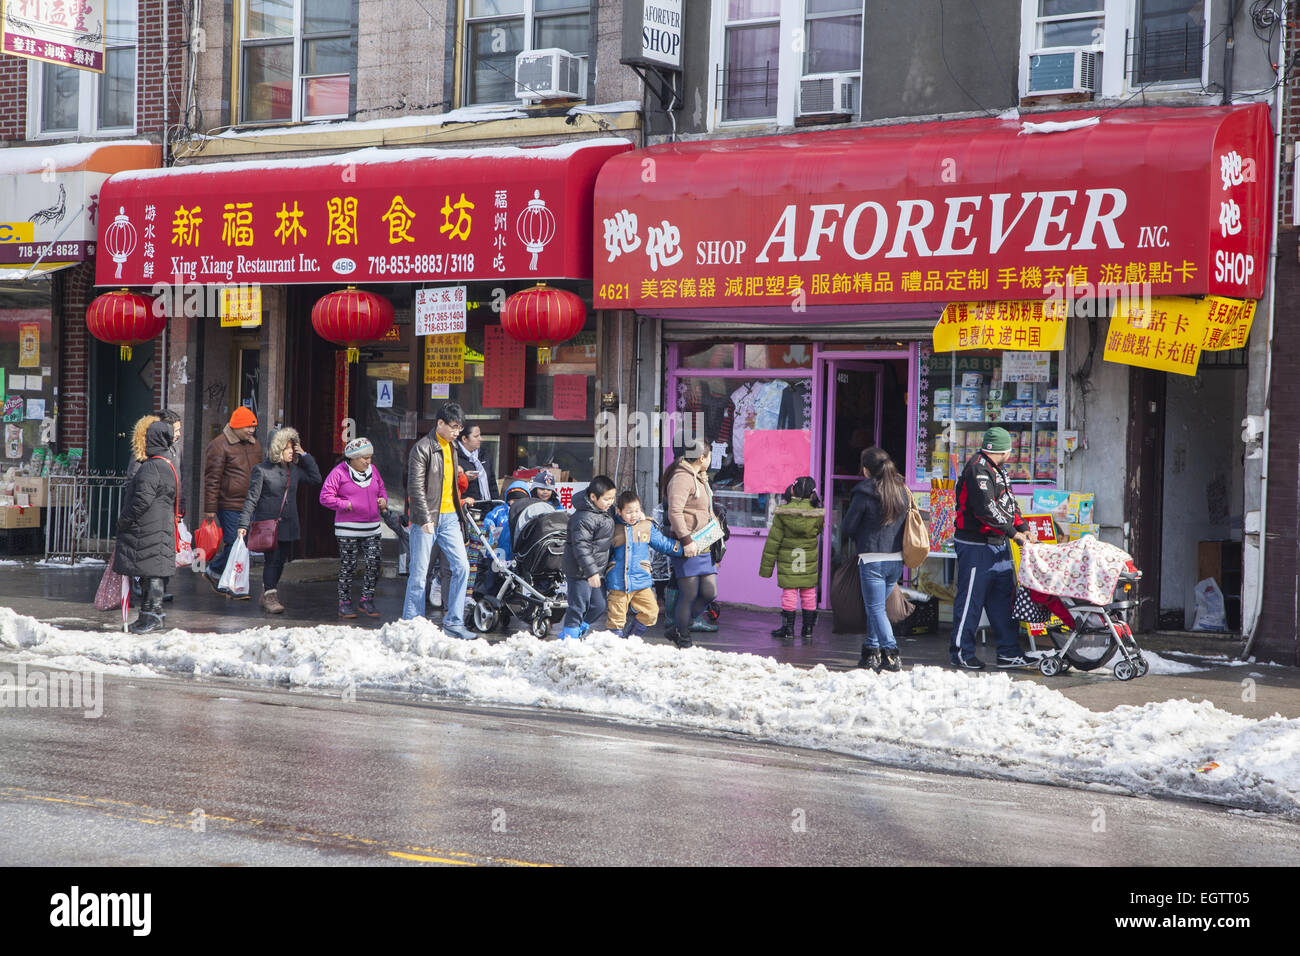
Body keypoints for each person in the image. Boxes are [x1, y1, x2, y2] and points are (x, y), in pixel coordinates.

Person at [950, 426, 1036, 670]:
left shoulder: (997, 469)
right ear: (1005, 450)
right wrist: (1014, 534)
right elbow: (986, 508)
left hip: (998, 544)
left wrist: (1023, 526)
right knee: (970, 601)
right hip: (976, 545)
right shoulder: (978, 468)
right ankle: (961, 652)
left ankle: (1008, 652)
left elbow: (1009, 504)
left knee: (1004, 600)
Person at [403, 402, 476, 639]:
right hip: (427, 517)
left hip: (451, 516)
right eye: (453, 427)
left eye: (459, 428)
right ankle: (412, 625)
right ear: (440, 423)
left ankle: (454, 622)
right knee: (419, 572)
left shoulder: (453, 447)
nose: (457, 432)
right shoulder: (422, 448)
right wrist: (424, 518)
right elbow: (415, 487)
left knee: (462, 567)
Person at [237, 427, 322, 615]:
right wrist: (243, 524)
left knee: (281, 561)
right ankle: (270, 595)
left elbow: (316, 478)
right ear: (277, 448)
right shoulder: (261, 470)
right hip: (267, 525)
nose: (291, 451)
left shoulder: (295, 470)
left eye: (293, 447)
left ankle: (268, 589)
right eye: (288, 448)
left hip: (288, 524)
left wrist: (305, 455)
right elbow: (252, 498)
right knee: (272, 560)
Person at [841, 448, 909, 672]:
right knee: (876, 607)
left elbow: (848, 526)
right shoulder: (901, 490)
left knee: (876, 608)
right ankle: (871, 651)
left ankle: (891, 653)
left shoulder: (864, 492)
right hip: (896, 559)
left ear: (866, 469)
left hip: (872, 559)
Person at [114, 420, 179, 633]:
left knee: (152, 573)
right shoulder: (167, 463)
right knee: (150, 572)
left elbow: (141, 500)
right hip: (156, 527)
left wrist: (124, 520)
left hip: (148, 528)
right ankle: (147, 614)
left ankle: (153, 615)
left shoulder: (152, 467)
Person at [319, 437, 388, 619]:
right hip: (347, 528)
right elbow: (325, 497)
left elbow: (381, 489)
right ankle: (344, 602)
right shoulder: (339, 473)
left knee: (374, 563)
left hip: (372, 526)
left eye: (370, 457)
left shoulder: (373, 471)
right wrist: (345, 504)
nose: (368, 461)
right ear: (352, 458)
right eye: (364, 458)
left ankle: (367, 599)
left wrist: (383, 500)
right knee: (348, 565)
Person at [202, 406, 262, 598]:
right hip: (229, 504)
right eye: (248, 427)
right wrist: (210, 508)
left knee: (241, 545)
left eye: (253, 427)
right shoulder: (219, 445)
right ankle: (217, 572)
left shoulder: (255, 445)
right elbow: (212, 479)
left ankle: (224, 578)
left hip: (250, 503)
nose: (251, 431)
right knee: (234, 543)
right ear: (237, 426)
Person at [606, 490, 681, 639]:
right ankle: (613, 649)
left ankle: (629, 640)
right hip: (618, 583)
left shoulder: (646, 526)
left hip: (641, 580)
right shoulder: (612, 527)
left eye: (636, 510)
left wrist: (683, 549)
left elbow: (663, 543)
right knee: (616, 620)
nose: (633, 515)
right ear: (619, 511)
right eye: (628, 512)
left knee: (651, 612)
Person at [759, 476, 825, 641]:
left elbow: (773, 542)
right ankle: (808, 629)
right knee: (809, 592)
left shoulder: (783, 513)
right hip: (808, 561)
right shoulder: (817, 514)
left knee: (789, 592)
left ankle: (788, 629)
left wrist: (766, 569)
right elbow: (818, 531)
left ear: (793, 490)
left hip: (788, 561)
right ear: (812, 494)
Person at [662, 441, 711, 649]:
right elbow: (675, 512)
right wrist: (686, 540)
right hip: (688, 543)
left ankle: (679, 625)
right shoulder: (682, 477)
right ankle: (682, 635)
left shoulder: (699, 477)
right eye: (708, 456)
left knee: (710, 592)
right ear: (702, 458)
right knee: (689, 593)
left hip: (704, 542)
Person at [559, 475, 617, 640]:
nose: (610, 502)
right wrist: (591, 572)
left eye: (612, 498)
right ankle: (569, 638)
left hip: (595, 570)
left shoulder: (605, 511)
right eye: (607, 499)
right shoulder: (583, 518)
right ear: (593, 497)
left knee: (598, 606)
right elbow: (581, 547)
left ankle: (577, 630)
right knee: (578, 606)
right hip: (579, 570)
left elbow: (616, 518)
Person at [456, 424, 497, 503]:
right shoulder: (454, 456)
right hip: (467, 506)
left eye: (480, 435)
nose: (480, 439)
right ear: (464, 439)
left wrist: (496, 505)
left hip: (487, 504)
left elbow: (492, 483)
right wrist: (464, 478)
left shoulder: (484, 454)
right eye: (476, 436)